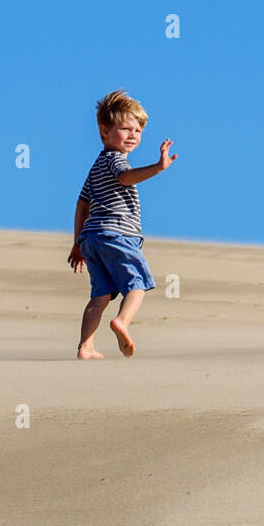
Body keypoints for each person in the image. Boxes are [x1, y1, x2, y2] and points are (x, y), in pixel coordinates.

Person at [67, 90, 176, 358]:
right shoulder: (116, 161)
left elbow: (82, 204)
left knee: (100, 295)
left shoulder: (96, 166)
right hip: (117, 235)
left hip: (92, 240)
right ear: (104, 132)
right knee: (137, 284)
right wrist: (158, 168)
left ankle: (85, 346)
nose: (132, 135)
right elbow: (127, 178)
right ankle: (122, 322)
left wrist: (78, 241)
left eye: (137, 131)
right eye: (125, 128)